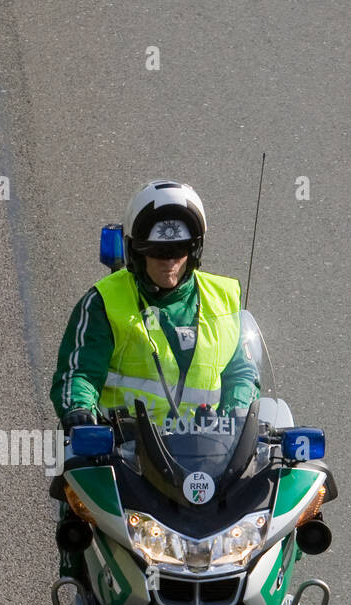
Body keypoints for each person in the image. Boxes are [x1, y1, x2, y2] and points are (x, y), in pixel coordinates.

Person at [49, 179, 260, 574]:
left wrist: (237, 413)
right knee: (80, 516)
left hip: (209, 453)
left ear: (193, 249)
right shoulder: (104, 302)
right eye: (157, 251)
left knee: (276, 512)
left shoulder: (225, 296)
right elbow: (78, 372)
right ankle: (83, 594)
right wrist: (79, 409)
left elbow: (242, 370)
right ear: (135, 250)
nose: (169, 261)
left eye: (178, 250)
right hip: (126, 457)